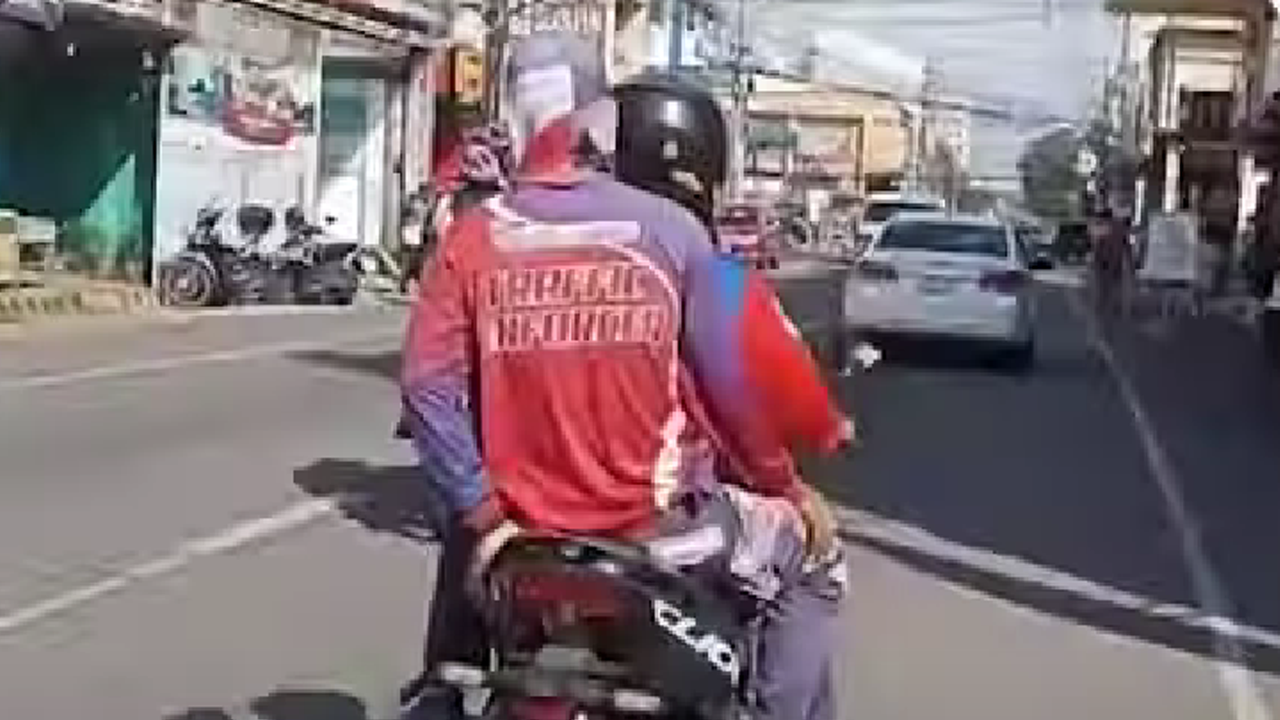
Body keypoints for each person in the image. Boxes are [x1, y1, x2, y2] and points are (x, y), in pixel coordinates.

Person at [400, 32, 851, 720]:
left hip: (522, 543)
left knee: (459, 543)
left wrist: (486, 514)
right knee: (814, 561)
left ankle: (440, 684)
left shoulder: (472, 238)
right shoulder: (673, 235)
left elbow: (427, 390)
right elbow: (723, 390)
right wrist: (786, 488)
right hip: (658, 535)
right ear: (600, 122)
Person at [1088, 207, 1135, 322]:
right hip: (1115, 261)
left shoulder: (1104, 228)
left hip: (1105, 261)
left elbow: (1098, 247)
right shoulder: (1119, 229)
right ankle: (1111, 307)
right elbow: (1127, 247)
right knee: (1112, 285)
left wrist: (1094, 260)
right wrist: (1130, 262)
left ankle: (1103, 307)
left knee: (1103, 285)